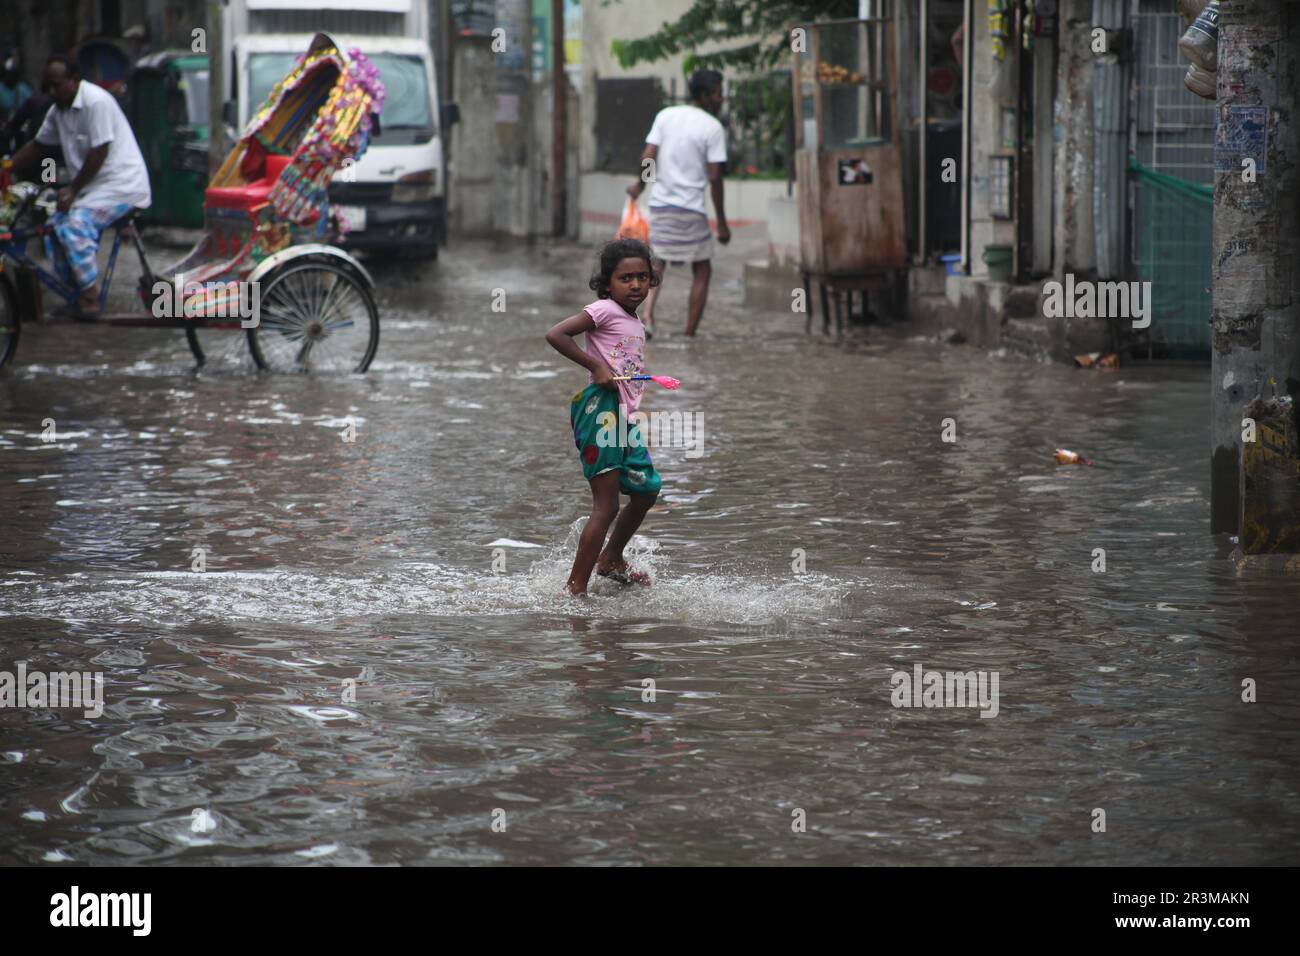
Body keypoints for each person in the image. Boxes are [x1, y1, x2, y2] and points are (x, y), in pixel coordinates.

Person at [545, 238, 663, 595]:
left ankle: (611, 557)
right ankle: (575, 589)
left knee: (646, 489)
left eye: (643, 277)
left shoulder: (632, 318)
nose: (636, 285)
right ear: (608, 282)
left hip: (622, 416)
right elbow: (556, 334)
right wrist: (596, 365)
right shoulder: (604, 310)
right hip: (599, 410)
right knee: (607, 504)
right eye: (626, 278)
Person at [8, 55, 151, 321]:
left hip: (123, 186)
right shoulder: (57, 111)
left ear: (74, 81)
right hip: (93, 189)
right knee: (53, 227)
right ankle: (74, 293)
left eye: (57, 85)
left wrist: (72, 190)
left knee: (75, 223)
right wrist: (7, 168)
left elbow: (99, 152)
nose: (51, 92)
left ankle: (90, 297)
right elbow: (38, 147)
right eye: (47, 87)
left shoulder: (96, 102)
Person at [627, 68, 730, 339]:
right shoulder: (713, 127)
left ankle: (647, 318)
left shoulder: (666, 116)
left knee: (657, 263)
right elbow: (716, 177)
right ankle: (689, 335)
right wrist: (721, 223)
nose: (722, 98)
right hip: (692, 209)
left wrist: (640, 185)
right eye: (719, 93)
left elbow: (647, 157)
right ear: (706, 95)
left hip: (660, 206)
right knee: (703, 268)